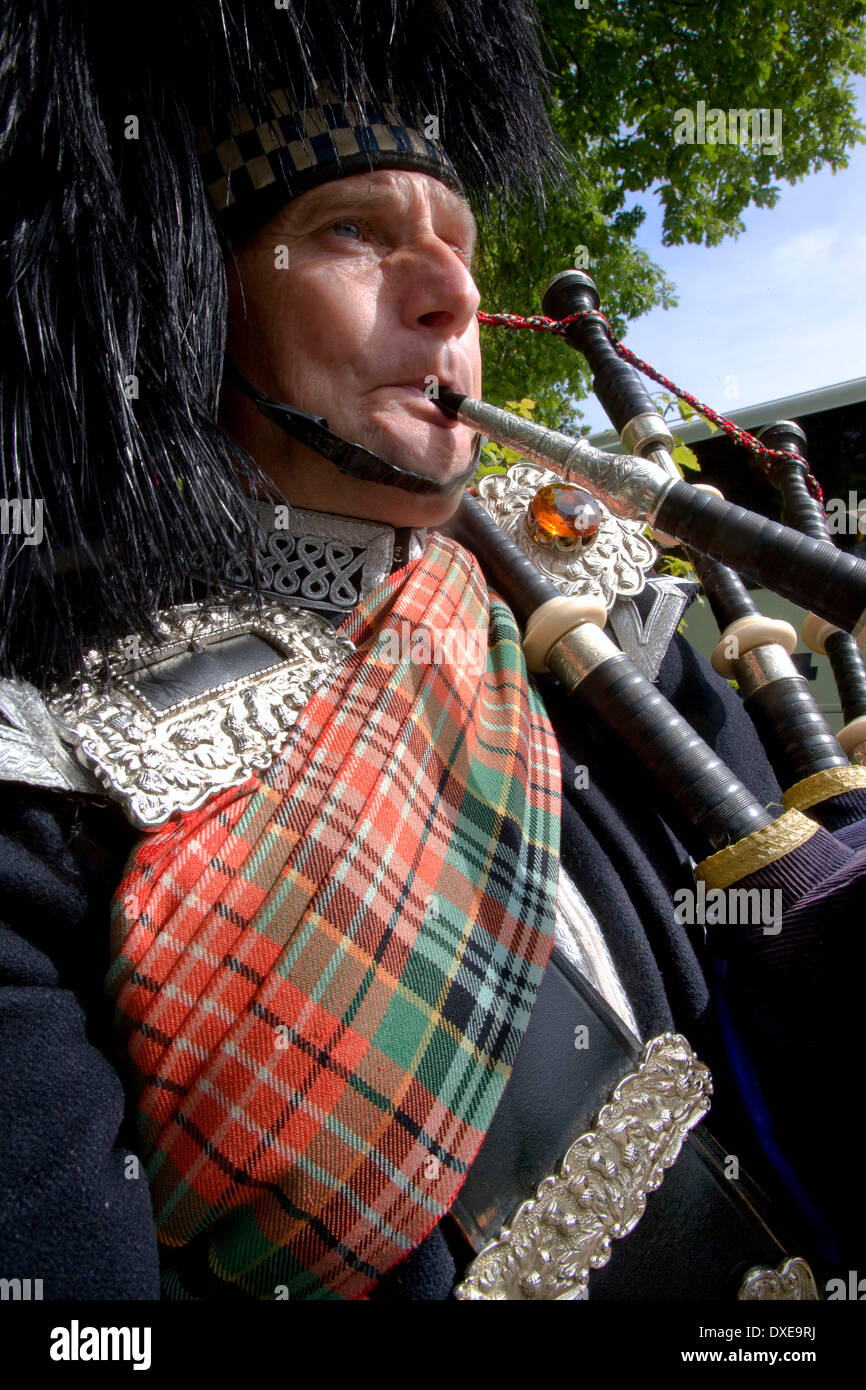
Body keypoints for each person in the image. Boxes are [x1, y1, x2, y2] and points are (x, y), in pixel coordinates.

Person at [0, 0, 834, 1300]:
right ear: (195, 308)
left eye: (456, 240)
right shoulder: (47, 772)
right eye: (352, 233)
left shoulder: (610, 635)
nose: (451, 295)